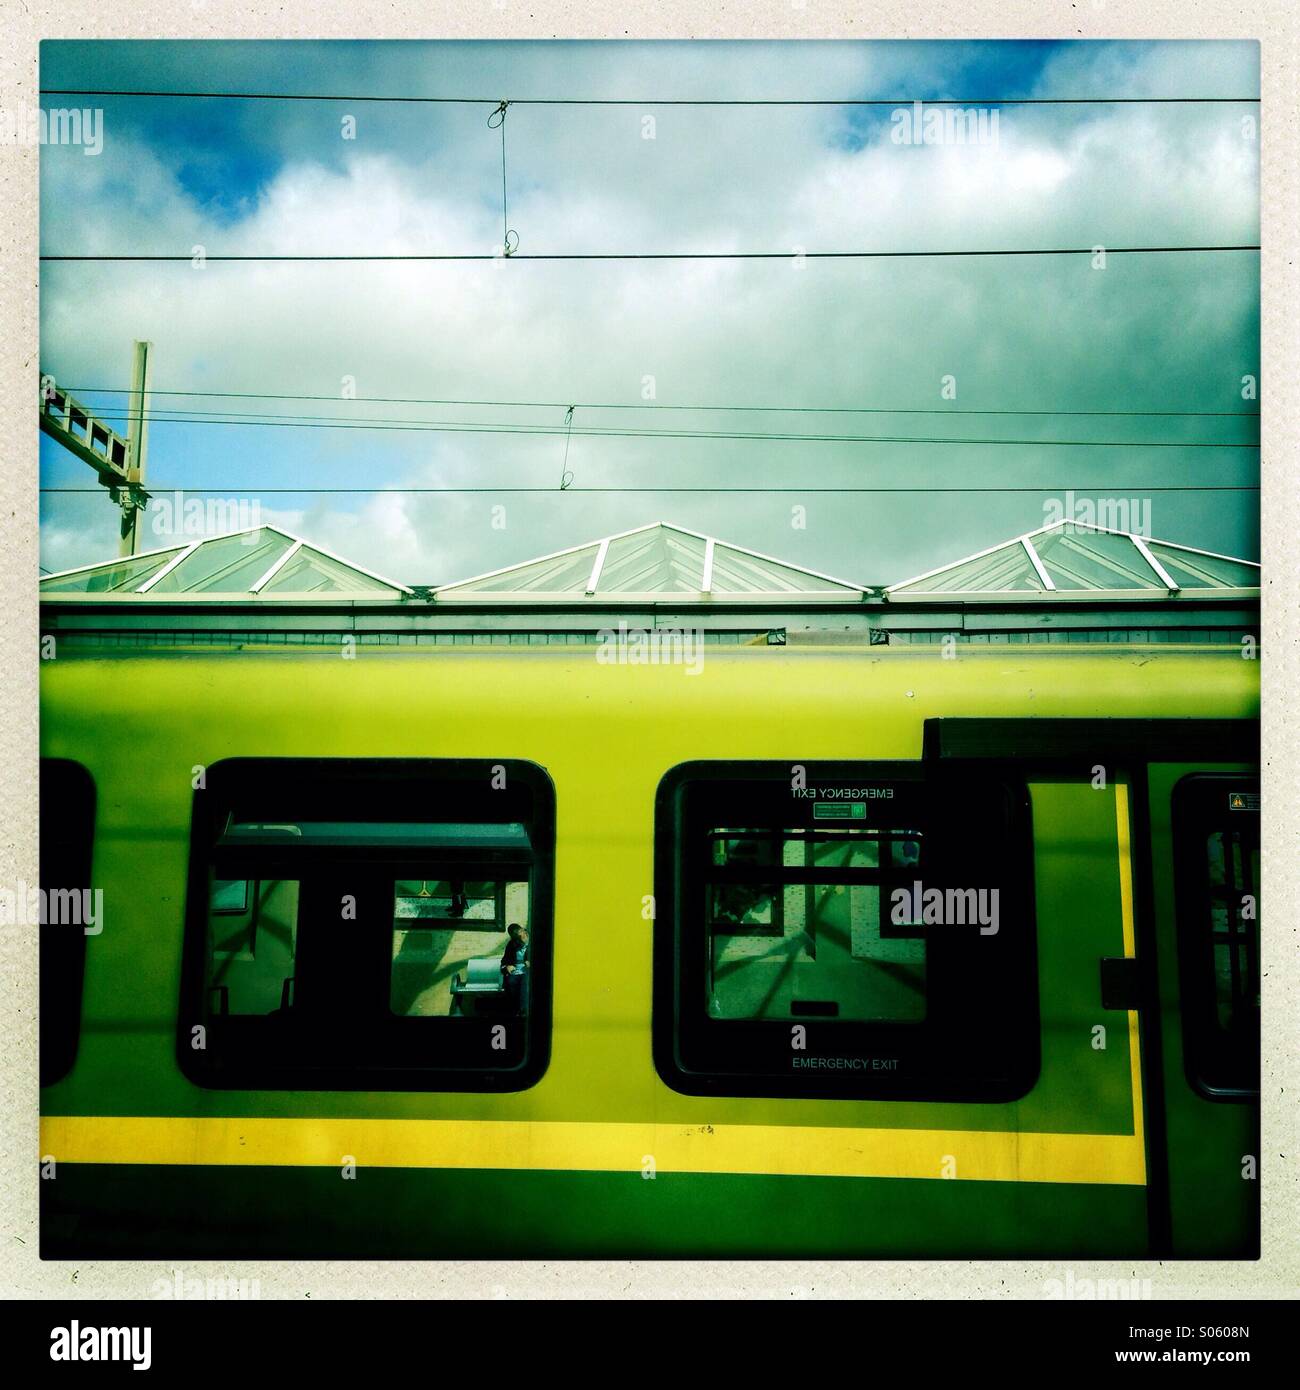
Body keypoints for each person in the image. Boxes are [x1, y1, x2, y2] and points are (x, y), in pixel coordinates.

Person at [500, 923, 529, 1016]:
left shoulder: (533, 943)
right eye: (517, 937)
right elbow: (504, 962)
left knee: (525, 982)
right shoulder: (512, 945)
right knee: (511, 981)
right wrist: (507, 967)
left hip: (528, 972)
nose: (521, 938)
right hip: (515, 971)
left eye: (522, 933)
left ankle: (523, 1011)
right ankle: (515, 1012)